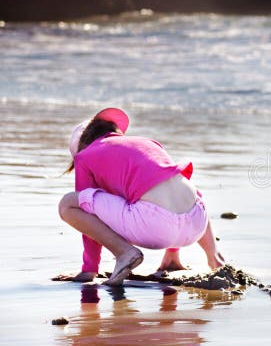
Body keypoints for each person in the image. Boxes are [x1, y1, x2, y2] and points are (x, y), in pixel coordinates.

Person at [59, 107, 225, 286]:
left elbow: (86, 210)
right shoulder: (149, 143)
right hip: (196, 224)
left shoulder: (85, 156)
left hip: (156, 227)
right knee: (185, 189)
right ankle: (213, 258)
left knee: (68, 204)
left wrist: (89, 269)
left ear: (83, 146)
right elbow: (168, 190)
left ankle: (124, 253)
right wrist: (173, 249)